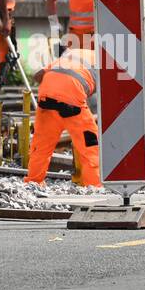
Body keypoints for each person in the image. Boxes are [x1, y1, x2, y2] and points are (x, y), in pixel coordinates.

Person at [25, 47, 99, 187]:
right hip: (72, 97)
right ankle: (94, 186)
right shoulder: (105, 62)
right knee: (90, 145)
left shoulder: (69, 55)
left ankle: (34, 182)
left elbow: (38, 75)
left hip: (46, 95)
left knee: (41, 145)